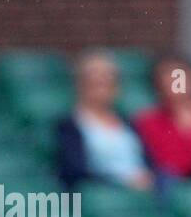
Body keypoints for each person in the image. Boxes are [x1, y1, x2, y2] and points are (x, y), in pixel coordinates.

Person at [54, 50, 154, 191]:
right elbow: (75, 171)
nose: (103, 87)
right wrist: (123, 180)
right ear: (80, 84)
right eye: (97, 81)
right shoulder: (70, 126)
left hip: (142, 193)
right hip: (104, 193)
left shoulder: (128, 122)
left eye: (109, 81)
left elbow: (148, 162)